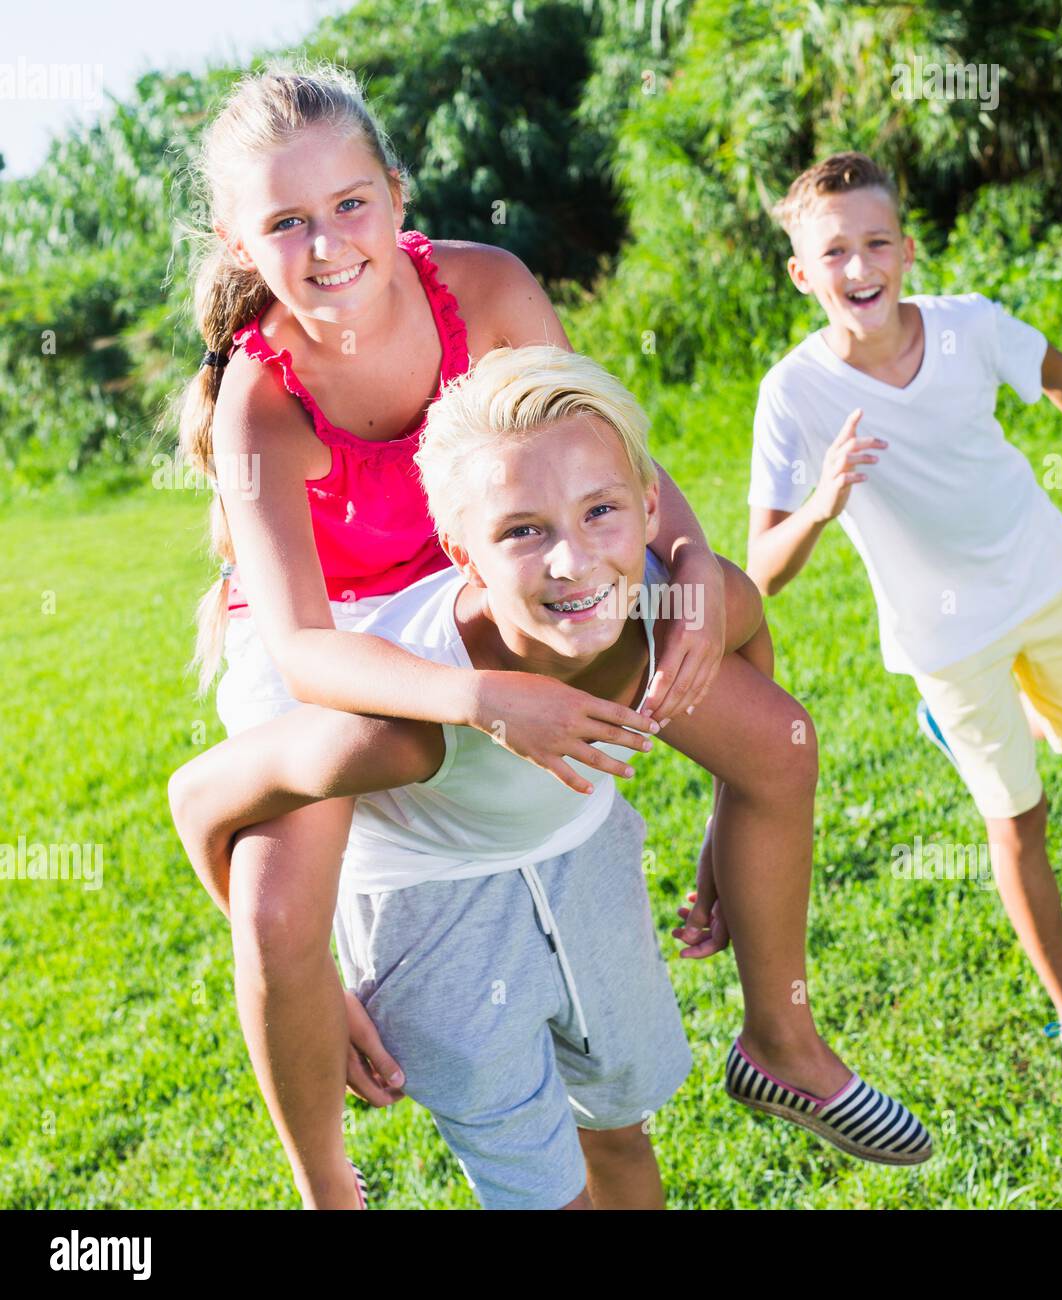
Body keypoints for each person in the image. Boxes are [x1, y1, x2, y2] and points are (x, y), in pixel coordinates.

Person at [170, 346, 933, 1208]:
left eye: (599, 510)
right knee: (544, 1193)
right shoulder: (403, 722)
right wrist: (312, 981)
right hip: (439, 919)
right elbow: (199, 801)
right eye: (523, 531)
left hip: (581, 859)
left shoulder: (665, 612)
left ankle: (780, 1049)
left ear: (651, 508)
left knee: (619, 1135)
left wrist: (728, 817)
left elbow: (750, 643)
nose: (572, 562)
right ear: (462, 555)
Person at [172, 61, 735, 1209]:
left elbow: (603, 456)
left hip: (456, 564)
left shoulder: (486, 291)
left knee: (698, 653)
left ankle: (783, 1027)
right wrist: (481, 699)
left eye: (349, 204)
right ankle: (325, 1178)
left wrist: (691, 563)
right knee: (282, 898)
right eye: (285, 223)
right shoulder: (259, 402)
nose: (328, 244)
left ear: (395, 191)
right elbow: (302, 648)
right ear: (239, 243)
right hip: (316, 620)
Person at [747, 151, 1062, 1089]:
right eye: (834, 252)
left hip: (1043, 580)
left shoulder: (968, 329)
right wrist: (820, 504)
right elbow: (761, 571)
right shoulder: (793, 396)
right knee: (1019, 819)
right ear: (803, 273)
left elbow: (1061, 374)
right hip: (945, 638)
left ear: (908, 248)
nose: (859, 269)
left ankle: (1018, 707)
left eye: (875, 242)